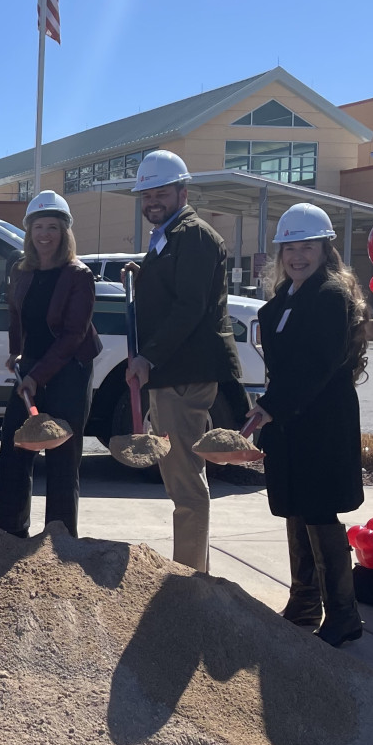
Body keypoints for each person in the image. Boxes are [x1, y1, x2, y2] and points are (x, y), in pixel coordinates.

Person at [247, 204, 368, 646]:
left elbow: (316, 365)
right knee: (295, 504)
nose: (298, 256)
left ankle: (343, 614)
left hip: (322, 419)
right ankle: (303, 602)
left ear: (324, 249)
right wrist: (272, 409)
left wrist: (271, 406)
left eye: (308, 247)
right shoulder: (283, 301)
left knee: (318, 508)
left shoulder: (330, 296)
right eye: (290, 248)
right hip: (291, 419)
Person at [123, 150, 242, 573]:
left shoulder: (193, 235)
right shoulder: (168, 237)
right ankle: (195, 574)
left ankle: (189, 582)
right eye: (147, 194)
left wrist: (148, 357)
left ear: (182, 191)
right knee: (184, 476)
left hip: (184, 372)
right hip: (172, 371)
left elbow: (190, 306)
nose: (152, 200)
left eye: (161, 193)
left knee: (185, 481)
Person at [0, 191, 101, 539]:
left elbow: (73, 335)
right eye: (38, 226)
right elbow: (15, 316)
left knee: (62, 458)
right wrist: (16, 354)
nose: (45, 234)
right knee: (16, 446)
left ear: (64, 232)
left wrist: (37, 377)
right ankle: (9, 535)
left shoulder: (78, 275)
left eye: (53, 227)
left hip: (70, 370)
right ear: (28, 231)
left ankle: (60, 539)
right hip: (33, 366)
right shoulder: (21, 270)